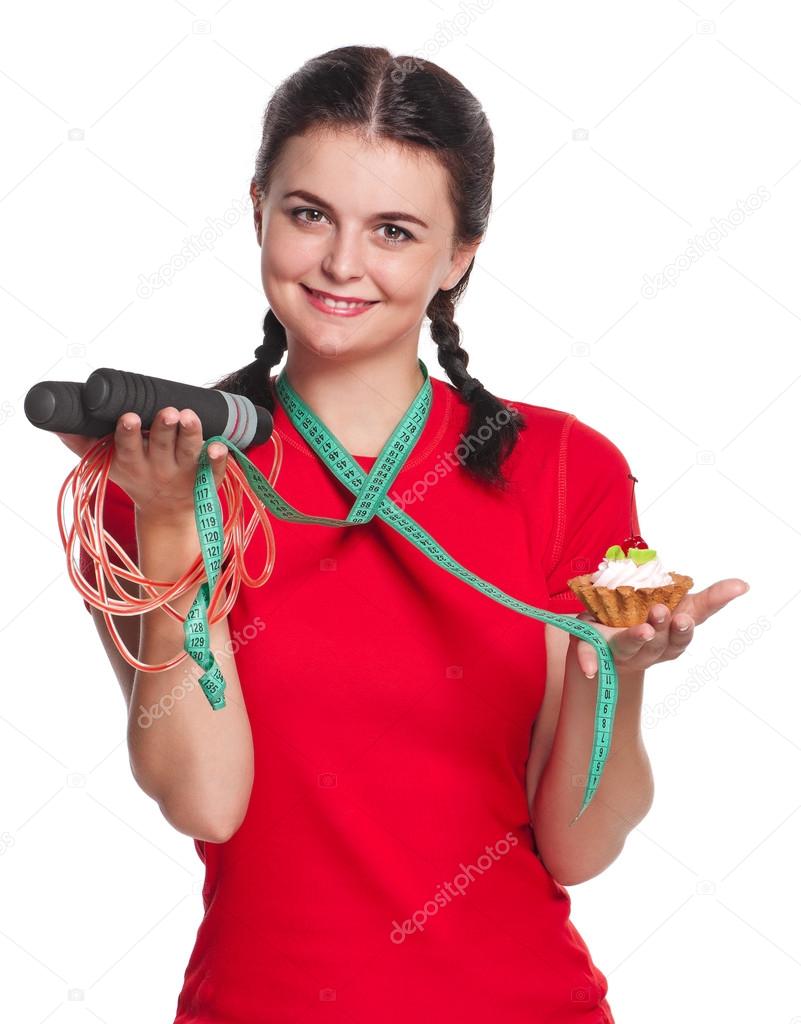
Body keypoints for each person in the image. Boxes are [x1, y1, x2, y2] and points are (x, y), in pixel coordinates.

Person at [65, 44, 748, 1024]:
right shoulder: (155, 479)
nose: (342, 263)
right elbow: (203, 801)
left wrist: (617, 670)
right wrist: (171, 521)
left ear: (459, 255)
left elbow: (580, 848)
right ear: (258, 209)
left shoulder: (564, 469)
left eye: (393, 230)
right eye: (310, 214)